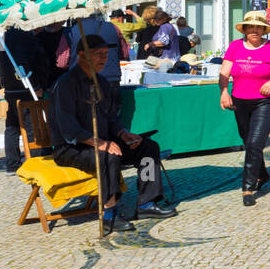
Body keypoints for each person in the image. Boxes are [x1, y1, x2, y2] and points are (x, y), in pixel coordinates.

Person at [50, 35, 176, 231]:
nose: (104, 59)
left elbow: (110, 118)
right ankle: (109, 213)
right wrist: (100, 143)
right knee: (108, 156)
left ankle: (146, 203)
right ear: (81, 55)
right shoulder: (65, 84)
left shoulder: (101, 82)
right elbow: (68, 129)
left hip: (103, 141)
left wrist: (123, 133)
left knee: (148, 147)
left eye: (106, 55)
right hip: (70, 148)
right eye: (98, 54)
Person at [220, 12, 270, 206]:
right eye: (251, 27)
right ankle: (262, 174)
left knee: (255, 143)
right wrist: (224, 92)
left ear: (263, 30)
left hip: (265, 101)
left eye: (259, 27)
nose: (255, 31)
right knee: (248, 141)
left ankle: (248, 188)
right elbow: (224, 72)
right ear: (244, 29)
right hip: (239, 101)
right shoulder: (235, 47)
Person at [0, 25, 56, 172]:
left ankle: (12, 163)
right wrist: (36, 86)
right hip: (25, 87)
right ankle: (35, 162)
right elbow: (24, 62)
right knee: (31, 125)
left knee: (12, 124)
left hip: (11, 87)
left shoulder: (5, 36)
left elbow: (4, 62)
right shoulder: (23, 36)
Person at [62, 15, 129, 84]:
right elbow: (125, 53)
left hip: (81, 80)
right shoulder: (113, 27)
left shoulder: (70, 32)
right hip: (110, 79)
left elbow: (62, 63)